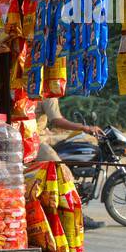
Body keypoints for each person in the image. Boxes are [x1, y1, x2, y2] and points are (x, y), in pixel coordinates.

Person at [36, 97, 105, 230]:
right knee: (64, 174)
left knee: (66, 145)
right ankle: (76, 215)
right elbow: (56, 120)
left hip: (34, 136)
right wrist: (84, 128)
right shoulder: (47, 91)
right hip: (34, 141)